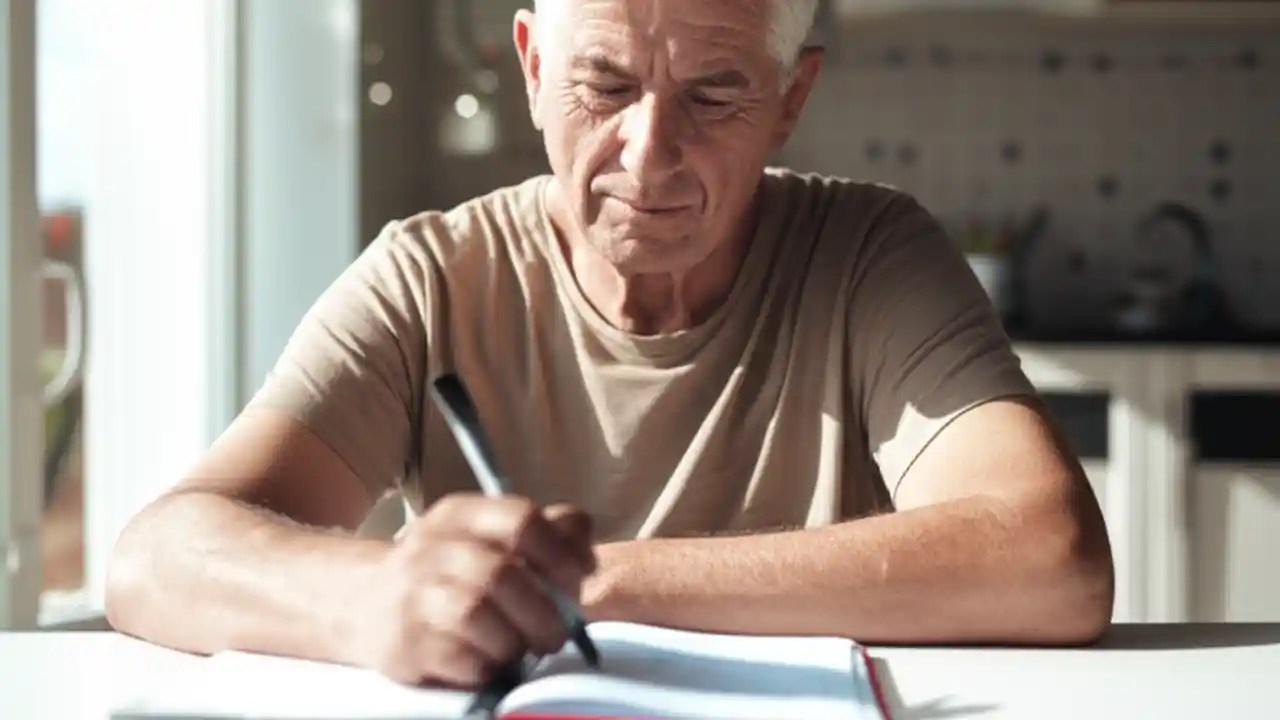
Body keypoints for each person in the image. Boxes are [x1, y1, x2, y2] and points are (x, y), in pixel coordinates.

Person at [105, 0, 1114, 689]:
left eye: (713, 93)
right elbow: (154, 561)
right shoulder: (428, 276)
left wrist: (586, 586)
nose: (648, 155)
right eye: (604, 85)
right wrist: (375, 596)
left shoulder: (867, 255)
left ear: (789, 100)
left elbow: (1048, 559)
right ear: (535, 68)